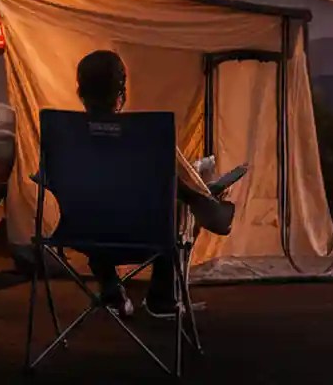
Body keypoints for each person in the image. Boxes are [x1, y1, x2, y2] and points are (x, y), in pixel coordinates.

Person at [73, 50, 235, 319]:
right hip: (145, 237)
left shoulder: (66, 135)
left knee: (96, 209)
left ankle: (112, 291)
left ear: (80, 92)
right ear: (121, 91)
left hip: (81, 234)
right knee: (174, 200)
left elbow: (47, 179)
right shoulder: (145, 136)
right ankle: (163, 296)